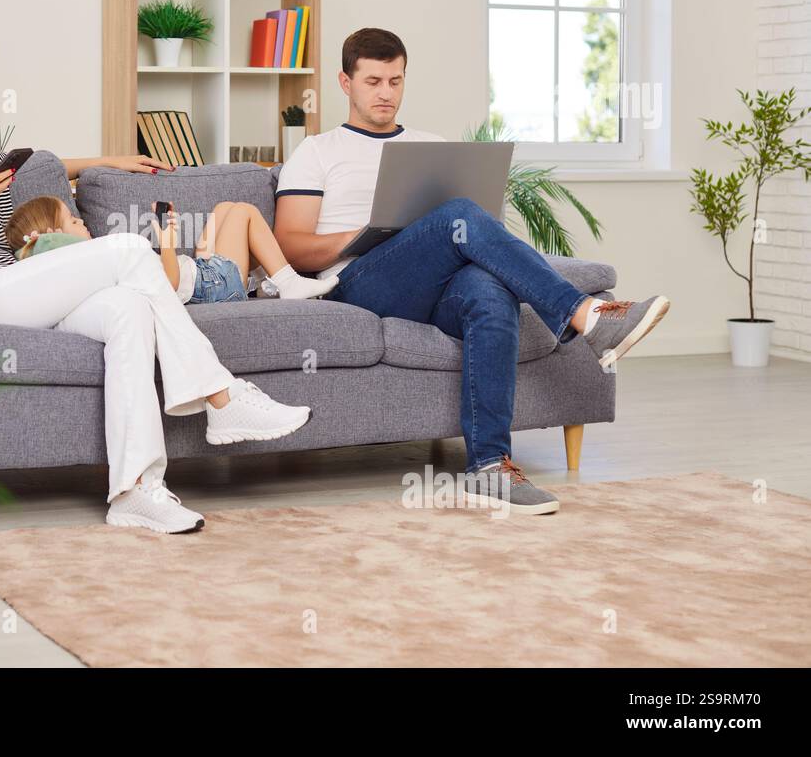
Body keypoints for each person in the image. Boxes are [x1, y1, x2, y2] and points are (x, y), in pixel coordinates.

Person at [0, 44, 312, 534]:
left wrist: (110, 161)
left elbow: (39, 162)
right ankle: (220, 395)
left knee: (130, 309)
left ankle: (135, 491)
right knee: (127, 250)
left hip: (26, 287)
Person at [273, 28, 671, 515]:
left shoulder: (430, 147)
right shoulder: (317, 150)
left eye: (395, 81)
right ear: (345, 82)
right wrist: (365, 234)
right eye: (373, 81)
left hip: (434, 279)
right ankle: (587, 316)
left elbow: (478, 232)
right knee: (457, 213)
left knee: (489, 292)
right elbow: (292, 249)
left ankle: (489, 467)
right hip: (358, 282)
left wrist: (438, 232)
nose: (385, 93)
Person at [5, 195, 338, 304]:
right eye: (74, 223)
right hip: (212, 287)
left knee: (224, 208)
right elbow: (170, 283)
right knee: (243, 212)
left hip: (201, 274)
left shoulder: (97, 260)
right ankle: (287, 281)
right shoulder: (103, 263)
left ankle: (263, 285)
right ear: (55, 237)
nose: (83, 224)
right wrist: (166, 244)